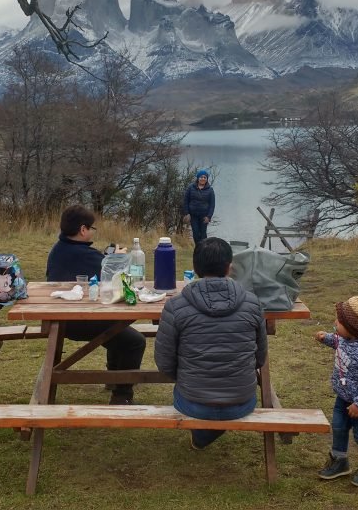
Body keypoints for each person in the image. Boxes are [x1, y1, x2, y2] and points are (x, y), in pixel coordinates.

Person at [154, 237, 266, 449]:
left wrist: (189, 378)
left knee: (200, 405)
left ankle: (202, 436)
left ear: (195, 268)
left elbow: (164, 362)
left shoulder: (175, 306)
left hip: (192, 403)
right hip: (242, 402)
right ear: (229, 267)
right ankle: (203, 436)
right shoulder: (253, 303)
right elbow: (260, 358)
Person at [46, 205, 145, 405]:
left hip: (62, 317)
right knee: (135, 341)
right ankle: (122, 395)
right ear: (83, 230)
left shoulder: (59, 249)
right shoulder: (84, 254)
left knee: (119, 329)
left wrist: (108, 256)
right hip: (79, 321)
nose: (92, 232)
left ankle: (113, 378)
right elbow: (116, 275)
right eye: (92, 228)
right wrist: (117, 258)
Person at [315, 293, 358, 487]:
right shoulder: (346, 339)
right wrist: (324, 338)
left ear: (352, 329)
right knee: (338, 426)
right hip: (344, 397)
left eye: (339, 321)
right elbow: (337, 341)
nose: (335, 322)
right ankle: (340, 461)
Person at [183, 170, 215, 245]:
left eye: (205, 177)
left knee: (203, 234)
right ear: (198, 178)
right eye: (201, 177)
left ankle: (204, 249)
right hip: (193, 215)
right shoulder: (191, 187)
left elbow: (212, 205)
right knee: (196, 233)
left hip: (204, 216)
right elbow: (185, 201)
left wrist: (209, 217)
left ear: (207, 179)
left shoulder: (210, 190)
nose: (203, 179)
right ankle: (198, 248)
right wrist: (187, 213)